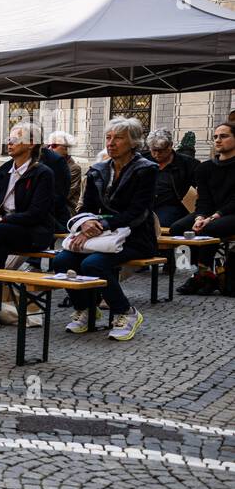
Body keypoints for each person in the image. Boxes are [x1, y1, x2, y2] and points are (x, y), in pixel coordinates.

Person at [51, 116, 158, 341]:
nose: (111, 143)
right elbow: (87, 207)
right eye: (108, 137)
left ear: (133, 142)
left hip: (136, 236)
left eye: (118, 138)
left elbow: (138, 212)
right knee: (61, 261)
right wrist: (85, 224)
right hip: (101, 235)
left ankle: (126, 313)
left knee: (93, 264)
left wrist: (100, 225)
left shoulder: (146, 169)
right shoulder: (98, 169)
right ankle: (88, 309)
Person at [0, 128, 57, 331]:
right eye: (9, 137)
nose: (9, 141)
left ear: (31, 143)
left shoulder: (43, 173)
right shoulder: (3, 171)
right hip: (3, 233)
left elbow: (36, 214)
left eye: (16, 138)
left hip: (34, 232)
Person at [172, 121, 235, 295]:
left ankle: (200, 276)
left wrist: (213, 217)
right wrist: (200, 216)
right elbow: (204, 199)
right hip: (209, 212)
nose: (218, 140)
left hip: (231, 213)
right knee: (177, 228)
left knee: (210, 228)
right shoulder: (204, 168)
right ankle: (204, 274)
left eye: (224, 136)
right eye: (215, 137)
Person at [146, 129, 198, 228]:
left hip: (173, 205)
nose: (156, 155)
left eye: (161, 151)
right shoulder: (143, 160)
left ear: (170, 145)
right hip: (144, 203)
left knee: (160, 223)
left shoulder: (188, 164)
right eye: (153, 150)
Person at [47, 131, 83, 212]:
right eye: (48, 145)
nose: (49, 148)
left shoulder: (74, 168)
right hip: (47, 207)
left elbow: (64, 195)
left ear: (66, 148)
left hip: (65, 210)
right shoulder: (48, 164)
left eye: (54, 145)